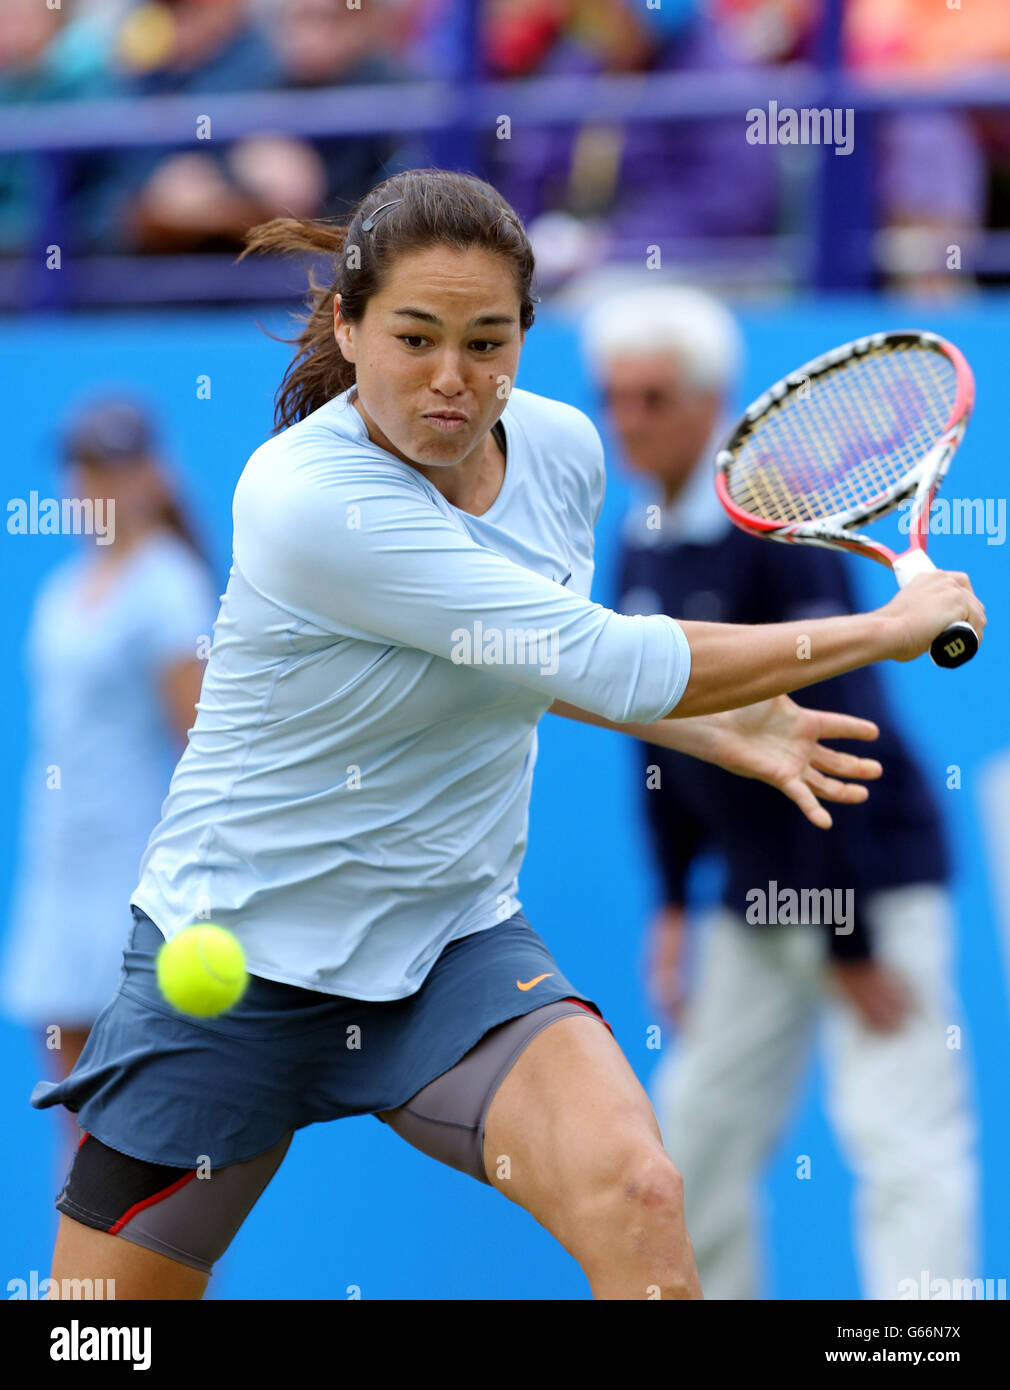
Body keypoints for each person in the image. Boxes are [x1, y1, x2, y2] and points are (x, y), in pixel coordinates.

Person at [31, 168, 985, 1302]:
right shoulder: (303, 499)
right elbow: (601, 655)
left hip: (451, 945)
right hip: (233, 963)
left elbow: (517, 657)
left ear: (527, 335)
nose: (451, 380)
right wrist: (879, 629)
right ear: (348, 322)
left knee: (638, 1188)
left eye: (486, 342)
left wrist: (702, 726)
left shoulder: (562, 453)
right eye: (415, 337)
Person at [581, 284, 980, 1300]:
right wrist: (674, 901)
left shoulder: (784, 534)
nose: (626, 421)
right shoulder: (637, 536)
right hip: (750, 902)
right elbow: (653, 732)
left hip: (866, 888)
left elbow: (841, 727)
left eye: (651, 398)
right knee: (690, 1149)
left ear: (707, 399)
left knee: (901, 1143)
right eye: (612, 398)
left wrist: (843, 932)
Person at [1, 398, 218, 1158]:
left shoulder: (167, 586)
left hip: (132, 880)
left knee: (141, 1142)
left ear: (152, 476)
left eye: (111, 468)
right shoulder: (65, 590)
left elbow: (198, 744)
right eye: (83, 468)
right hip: (57, 872)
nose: (92, 486)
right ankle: (83, 1283)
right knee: (78, 1126)